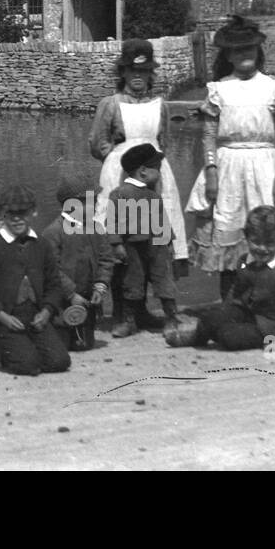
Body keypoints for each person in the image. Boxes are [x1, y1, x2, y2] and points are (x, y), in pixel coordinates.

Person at [184, 16, 275, 300]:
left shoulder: (273, 88)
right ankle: (230, 304)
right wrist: (211, 172)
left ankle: (266, 303)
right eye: (237, 50)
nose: (244, 54)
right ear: (229, 55)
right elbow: (208, 136)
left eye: (249, 49)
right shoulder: (219, 89)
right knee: (229, 233)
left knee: (265, 234)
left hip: (265, 168)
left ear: (258, 51)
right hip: (228, 168)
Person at [89, 39, 189, 333]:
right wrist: (118, 158)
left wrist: (152, 167)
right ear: (123, 72)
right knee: (122, 237)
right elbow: (97, 143)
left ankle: (152, 311)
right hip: (120, 172)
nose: (138, 77)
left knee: (155, 239)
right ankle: (124, 313)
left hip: (155, 171)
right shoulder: (110, 104)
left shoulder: (161, 105)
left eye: (144, 72)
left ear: (150, 75)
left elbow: (164, 142)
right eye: (133, 71)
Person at [167, 206, 275, 350]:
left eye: (269, 243)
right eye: (256, 242)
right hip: (246, 315)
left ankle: (254, 337)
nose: (262, 248)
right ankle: (197, 337)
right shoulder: (245, 261)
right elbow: (235, 294)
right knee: (209, 318)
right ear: (246, 237)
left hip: (269, 326)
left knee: (229, 337)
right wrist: (222, 313)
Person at [0, 186, 71, 377]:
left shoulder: (42, 245)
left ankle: (21, 348)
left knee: (60, 362)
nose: (16, 219)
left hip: (36, 317)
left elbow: (54, 285)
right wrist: (1, 316)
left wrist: (47, 311)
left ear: (33, 212)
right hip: (5, 318)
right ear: (1, 214)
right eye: (10, 214)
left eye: (22, 213)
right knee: (28, 367)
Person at [105, 145, 181, 337]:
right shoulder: (120, 194)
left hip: (156, 246)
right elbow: (112, 222)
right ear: (143, 171)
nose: (160, 174)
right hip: (132, 247)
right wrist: (117, 244)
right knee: (133, 282)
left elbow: (162, 221)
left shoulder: (154, 195)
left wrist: (169, 244)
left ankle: (171, 318)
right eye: (157, 168)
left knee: (163, 279)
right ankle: (130, 321)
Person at [41, 182, 113, 351]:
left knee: (84, 345)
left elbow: (106, 260)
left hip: (88, 299)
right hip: (62, 301)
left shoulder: (96, 228)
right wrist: (71, 294)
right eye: (92, 201)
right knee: (62, 345)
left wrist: (100, 287)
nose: (96, 205)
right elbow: (51, 269)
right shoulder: (53, 232)